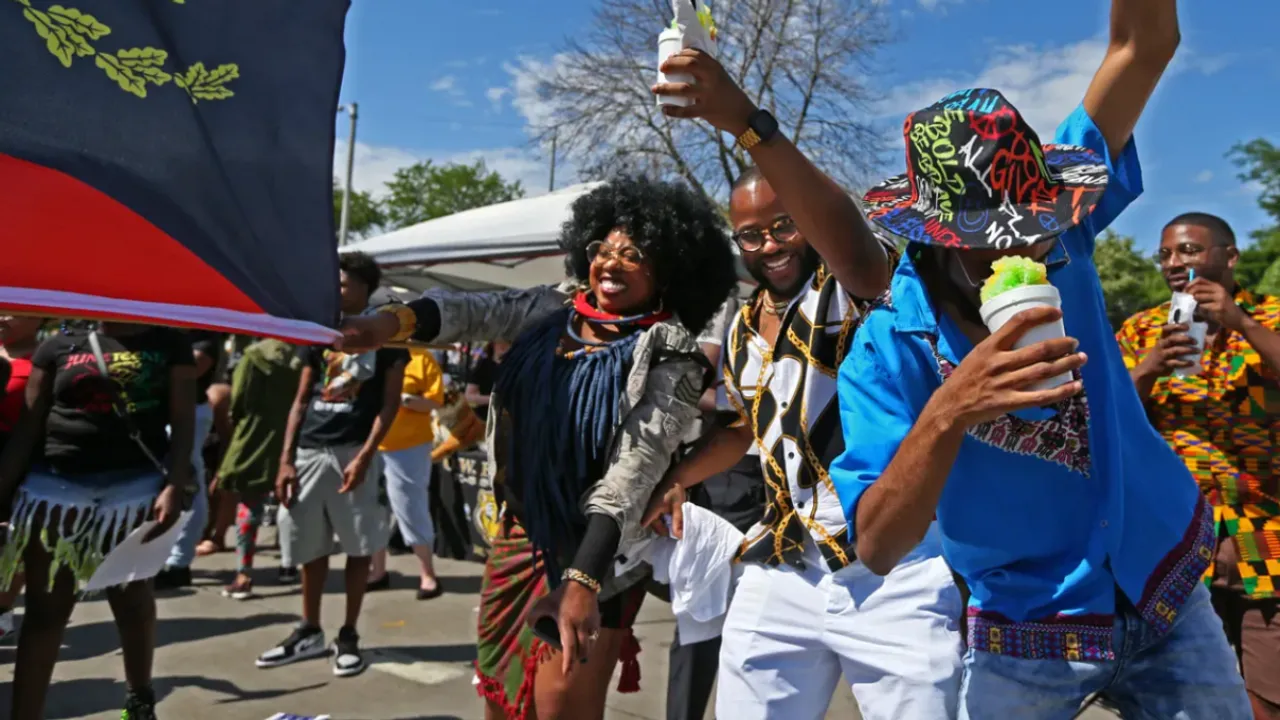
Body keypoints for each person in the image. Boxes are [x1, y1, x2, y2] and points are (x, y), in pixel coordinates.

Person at [829, 2, 1253, 716]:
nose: (1025, 252)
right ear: (937, 240)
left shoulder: (1069, 240)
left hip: (1162, 579)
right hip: (1028, 629)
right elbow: (875, 544)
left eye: (1034, 231)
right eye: (995, 241)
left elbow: (1144, 43)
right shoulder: (888, 348)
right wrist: (951, 409)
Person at [339, 176, 738, 720]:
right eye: (603, 250)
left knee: (557, 708)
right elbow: (472, 311)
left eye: (634, 255)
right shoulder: (553, 309)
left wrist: (582, 578)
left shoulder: (671, 354)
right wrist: (386, 323)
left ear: (667, 269)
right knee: (500, 699)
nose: (611, 264)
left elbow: (633, 473)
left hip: (600, 555)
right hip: (516, 540)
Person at [646, 50, 962, 718]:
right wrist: (679, 477)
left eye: (783, 225)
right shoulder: (736, 328)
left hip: (890, 567)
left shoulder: (851, 292)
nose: (768, 245)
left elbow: (854, 249)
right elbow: (745, 430)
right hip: (780, 564)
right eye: (750, 235)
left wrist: (749, 127)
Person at [1117, 212, 1280, 719]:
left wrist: (1241, 323)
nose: (1173, 263)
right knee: (1182, 695)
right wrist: (1148, 368)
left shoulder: (1271, 315)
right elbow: (1103, 422)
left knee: (1269, 693)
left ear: (1229, 257)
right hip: (1178, 541)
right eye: (1165, 254)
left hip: (1267, 535)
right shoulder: (1143, 329)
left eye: (1187, 250)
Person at [0, 321, 194, 720]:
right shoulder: (57, 344)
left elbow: (183, 419)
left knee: (131, 601)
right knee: (45, 610)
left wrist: (174, 485)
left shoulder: (169, 343)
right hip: (55, 487)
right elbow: (30, 424)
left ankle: (139, 700)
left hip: (135, 487)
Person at [255, 252, 406, 677]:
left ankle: (349, 633)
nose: (335, 291)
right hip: (308, 452)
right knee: (308, 544)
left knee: (359, 545)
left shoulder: (388, 336)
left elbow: (390, 404)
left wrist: (366, 455)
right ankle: (309, 629)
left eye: (342, 284)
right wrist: (285, 459)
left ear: (363, 287)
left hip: (354, 451)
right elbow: (301, 398)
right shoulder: (318, 332)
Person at [662, 297, 770, 720]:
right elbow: (696, 386)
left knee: (764, 623)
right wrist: (758, 407)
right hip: (733, 470)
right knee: (705, 607)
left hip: (793, 480)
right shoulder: (725, 304)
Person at [215, 337, 304, 600]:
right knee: (289, 504)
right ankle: (288, 563)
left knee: (248, 505)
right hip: (294, 432)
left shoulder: (253, 356)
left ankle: (244, 573)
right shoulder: (305, 355)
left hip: (255, 434)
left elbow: (239, 400)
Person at [366, 347, 447, 599]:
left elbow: (434, 401)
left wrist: (403, 399)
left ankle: (428, 575)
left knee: (411, 508)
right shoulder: (371, 354)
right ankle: (377, 572)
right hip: (370, 445)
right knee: (372, 509)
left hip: (408, 447)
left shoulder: (422, 358)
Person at [155, 329, 225, 589]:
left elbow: (191, 368)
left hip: (191, 412)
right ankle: (169, 557)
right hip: (170, 410)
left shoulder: (204, 337)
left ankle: (179, 562)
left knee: (189, 483)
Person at [0, 314, 42, 637]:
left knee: (14, 547)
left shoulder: (47, 360)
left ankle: (3, 607)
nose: (5, 314)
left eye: (15, 309)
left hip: (22, 467)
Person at [466, 342, 508, 423]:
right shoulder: (483, 365)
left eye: (508, 341)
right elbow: (469, 397)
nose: (504, 344)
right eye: (500, 340)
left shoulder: (516, 368)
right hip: (484, 421)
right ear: (493, 343)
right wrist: (493, 400)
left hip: (508, 422)